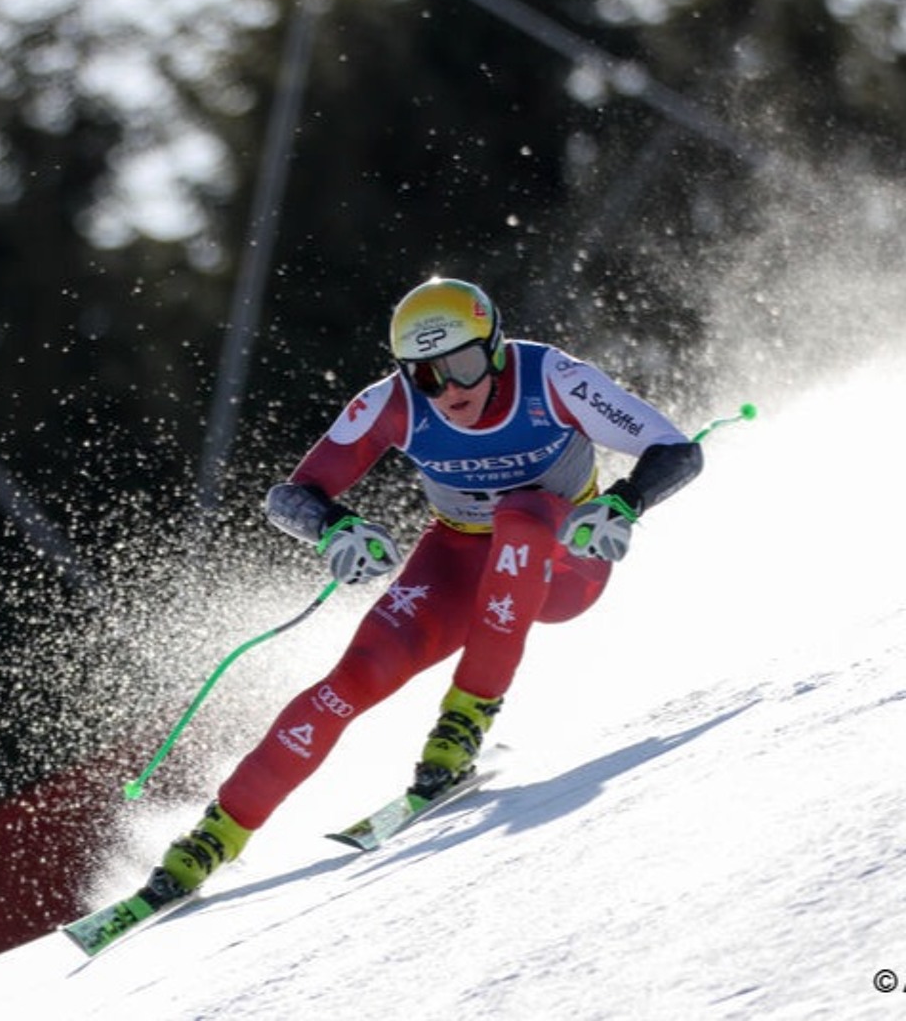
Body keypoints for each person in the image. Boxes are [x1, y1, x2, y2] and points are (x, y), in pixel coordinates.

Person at [153, 277, 703, 897]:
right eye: (426, 375)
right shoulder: (390, 404)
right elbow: (288, 497)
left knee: (522, 512)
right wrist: (334, 528)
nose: (450, 391)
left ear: (494, 347)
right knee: (354, 678)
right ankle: (213, 837)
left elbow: (676, 450)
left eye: (464, 365)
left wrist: (625, 504)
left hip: (560, 562)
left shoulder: (553, 376)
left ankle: (461, 726)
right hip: (458, 559)